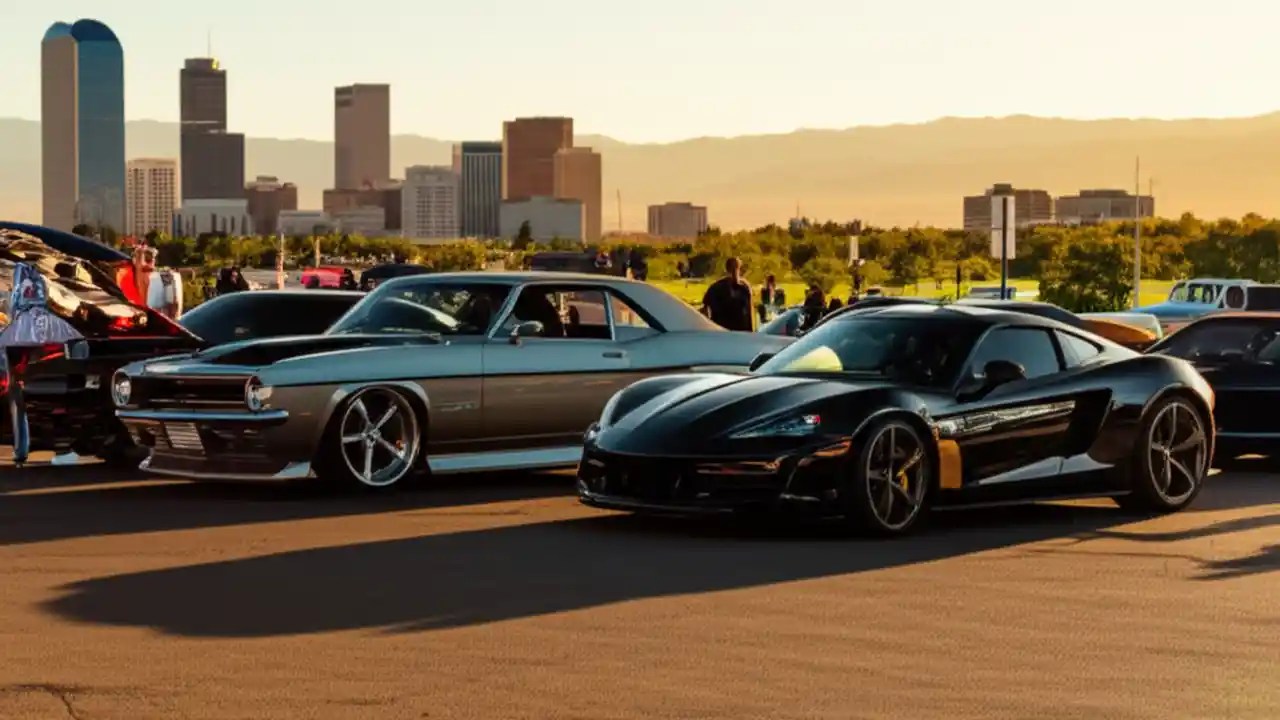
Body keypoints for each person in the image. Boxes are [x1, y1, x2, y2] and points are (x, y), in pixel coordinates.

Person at [1, 263, 85, 467]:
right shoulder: (55, 322)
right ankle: (59, 448)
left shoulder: (15, 327)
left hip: (23, 373)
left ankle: (22, 452)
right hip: (53, 376)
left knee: (18, 405)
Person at [701, 257, 753, 331]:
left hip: (734, 333)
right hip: (725, 333)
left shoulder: (744, 287)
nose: (734, 271)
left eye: (736, 268)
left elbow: (750, 313)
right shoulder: (716, 288)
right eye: (733, 268)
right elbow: (705, 309)